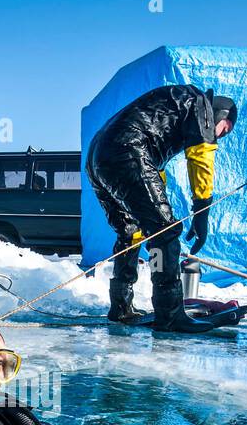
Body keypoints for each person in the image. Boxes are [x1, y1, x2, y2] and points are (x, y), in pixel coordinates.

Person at [86, 84, 238, 332]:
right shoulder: (201, 106)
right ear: (221, 114)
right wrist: (202, 209)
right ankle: (169, 313)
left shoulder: (175, 105)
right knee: (165, 233)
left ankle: (120, 305)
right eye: (225, 129)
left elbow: (154, 172)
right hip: (128, 151)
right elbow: (201, 156)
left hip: (99, 157)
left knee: (130, 233)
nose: (222, 135)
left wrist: (157, 208)